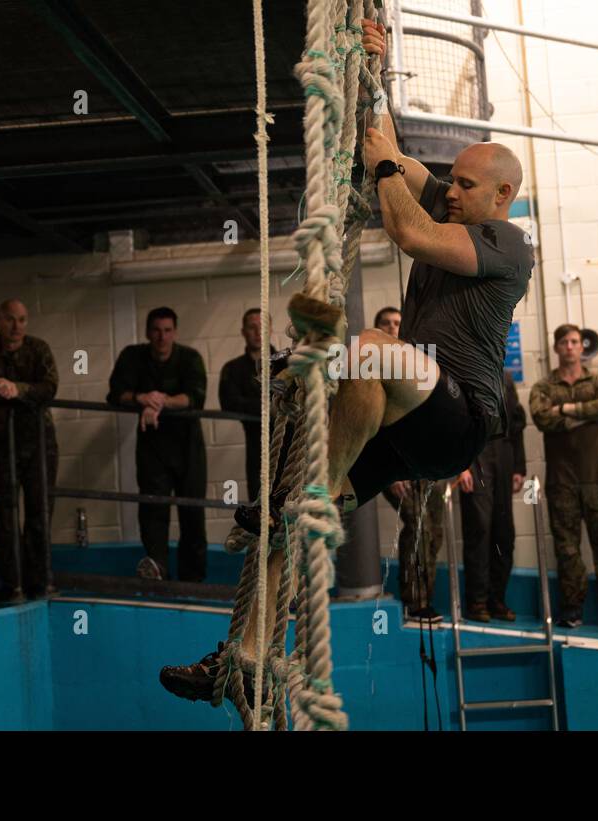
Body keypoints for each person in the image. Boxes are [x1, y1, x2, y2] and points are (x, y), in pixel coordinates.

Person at [159, 16, 533, 702]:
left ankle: (306, 499)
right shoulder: (450, 203)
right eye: (450, 180)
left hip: (460, 423)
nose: (451, 190)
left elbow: (405, 228)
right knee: (351, 396)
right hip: (403, 420)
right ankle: (243, 659)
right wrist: (373, 70)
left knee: (369, 350)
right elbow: (378, 144)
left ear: (500, 199)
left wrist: (392, 167)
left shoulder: (508, 245)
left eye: (466, 186)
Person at [529, 325, 598, 629]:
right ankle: (572, 609)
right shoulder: (544, 388)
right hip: (562, 483)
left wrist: (568, 409)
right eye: (564, 342)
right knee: (567, 549)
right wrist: (584, 416)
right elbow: (542, 417)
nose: (570, 347)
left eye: (574, 342)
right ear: (557, 348)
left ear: (581, 347)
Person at [0, 299, 59, 602]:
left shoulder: (39, 348)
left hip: (38, 440)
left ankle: (40, 582)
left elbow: (49, 387)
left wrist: (17, 389)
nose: (16, 326)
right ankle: (12, 584)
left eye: (22, 319)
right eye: (10, 319)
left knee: (39, 511)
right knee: (4, 514)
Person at [108, 307, 208, 582]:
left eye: (167, 331)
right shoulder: (133, 356)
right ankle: (156, 571)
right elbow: (116, 393)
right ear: (147, 332)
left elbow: (195, 398)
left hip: (188, 448)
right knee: (152, 510)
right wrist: (142, 398)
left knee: (192, 514)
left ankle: (193, 582)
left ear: (174, 332)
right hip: (153, 448)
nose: (161, 337)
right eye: (156, 330)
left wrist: (160, 401)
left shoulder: (190, 358)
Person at [376, 306, 447, 624]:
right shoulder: (371, 369)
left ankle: (425, 598)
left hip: (426, 464)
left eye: (397, 324)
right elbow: (372, 426)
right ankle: (414, 601)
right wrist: (389, 473)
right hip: (395, 467)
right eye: (386, 324)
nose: (393, 329)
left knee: (434, 532)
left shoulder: (419, 364)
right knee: (418, 525)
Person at [457, 368, 526, 623]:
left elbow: (516, 424)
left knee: (504, 532)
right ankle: (477, 601)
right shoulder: (461, 373)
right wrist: (461, 466)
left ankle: (498, 599)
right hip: (476, 454)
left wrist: (519, 466)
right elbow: (454, 424)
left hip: (504, 453)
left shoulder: (505, 378)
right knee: (479, 529)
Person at [219, 308, 276, 502]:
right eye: (252, 327)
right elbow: (229, 404)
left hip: (290, 443)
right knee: (260, 508)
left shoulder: (287, 363)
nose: (258, 332)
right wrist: (270, 404)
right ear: (243, 332)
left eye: (263, 327)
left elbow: (295, 400)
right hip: (256, 446)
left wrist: (253, 404)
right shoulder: (233, 369)